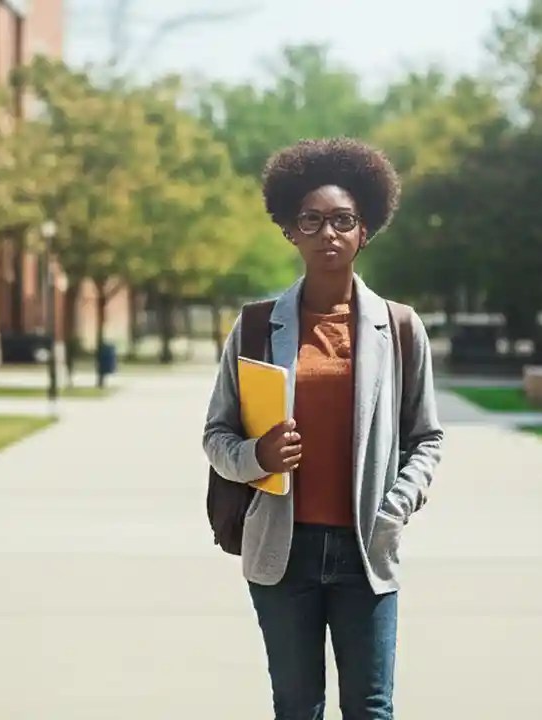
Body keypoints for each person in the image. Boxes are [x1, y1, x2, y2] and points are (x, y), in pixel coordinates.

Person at [203, 137, 444, 719]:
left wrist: (397, 504)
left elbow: (426, 437)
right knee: (296, 708)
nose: (327, 233)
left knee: (370, 708)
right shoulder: (257, 326)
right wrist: (257, 455)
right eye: (311, 220)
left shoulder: (401, 329)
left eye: (343, 220)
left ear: (365, 230)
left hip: (366, 549)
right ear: (290, 230)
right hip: (283, 553)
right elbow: (216, 436)